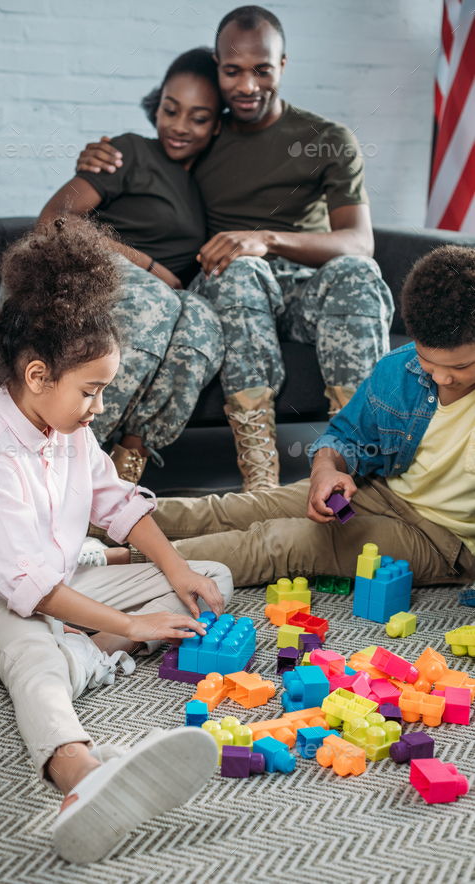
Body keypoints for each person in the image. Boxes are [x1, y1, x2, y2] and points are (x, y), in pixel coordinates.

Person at [0, 217, 233, 865]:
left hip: (61, 579)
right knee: (33, 664)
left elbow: (113, 500)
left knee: (209, 583)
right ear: (38, 376)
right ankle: (83, 775)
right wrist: (129, 620)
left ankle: (85, 654)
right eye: (91, 392)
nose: (99, 408)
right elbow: (31, 589)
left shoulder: (69, 427)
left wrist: (176, 570)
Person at [76, 5, 395, 492]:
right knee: (238, 269)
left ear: (282, 65)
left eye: (262, 70)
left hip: (308, 291)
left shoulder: (327, 140)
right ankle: (262, 479)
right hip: (234, 286)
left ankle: (357, 470)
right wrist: (96, 158)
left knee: (358, 273)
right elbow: (154, 153)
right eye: (233, 71)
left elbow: (359, 242)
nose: (247, 86)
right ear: (218, 68)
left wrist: (265, 238)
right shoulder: (205, 132)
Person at [108, 246, 475, 592]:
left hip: (442, 540)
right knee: (239, 507)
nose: (442, 378)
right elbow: (344, 436)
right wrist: (325, 471)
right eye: (430, 363)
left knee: (282, 541)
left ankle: (114, 565)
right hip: (380, 490)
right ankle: (85, 515)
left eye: (460, 366)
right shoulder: (400, 368)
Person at [37, 48, 225, 484]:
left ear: (217, 125)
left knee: (203, 321)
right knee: (157, 302)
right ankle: (59, 462)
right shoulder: (128, 152)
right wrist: (149, 265)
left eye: (197, 118)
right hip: (69, 271)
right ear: (155, 106)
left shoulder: (210, 183)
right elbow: (54, 220)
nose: (178, 126)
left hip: (153, 295)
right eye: (169, 110)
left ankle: (125, 466)